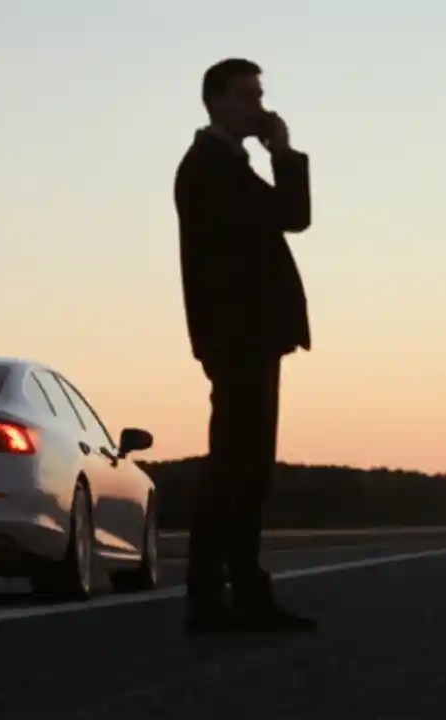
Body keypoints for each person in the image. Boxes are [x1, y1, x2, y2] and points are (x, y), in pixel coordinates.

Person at [173, 58, 318, 634]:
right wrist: (283, 151)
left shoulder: (225, 164)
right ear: (216, 101)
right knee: (237, 469)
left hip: (245, 334)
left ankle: (230, 595)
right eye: (247, 95)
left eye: (259, 95)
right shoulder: (210, 167)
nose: (258, 106)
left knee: (243, 469)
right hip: (238, 335)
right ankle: (220, 599)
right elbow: (293, 215)